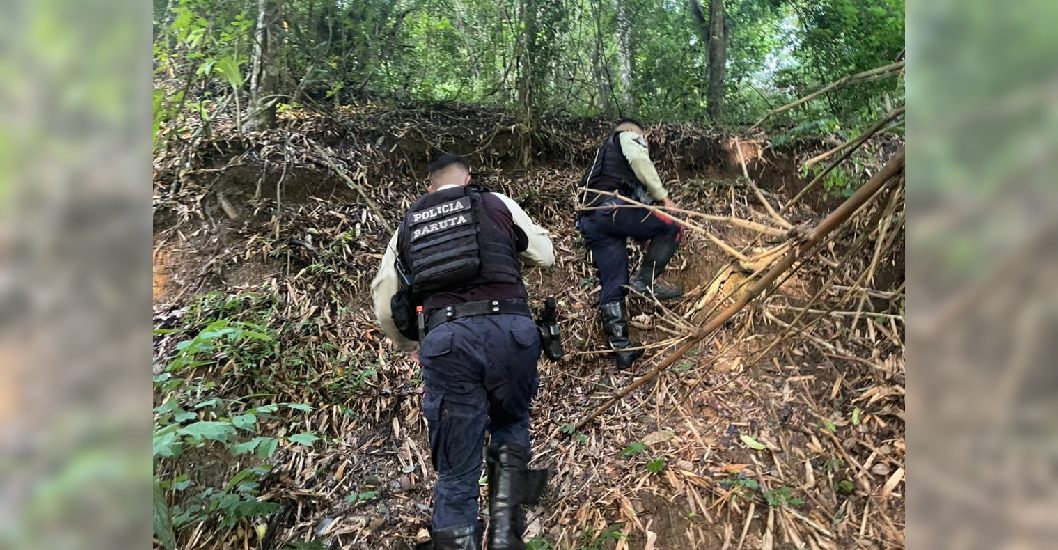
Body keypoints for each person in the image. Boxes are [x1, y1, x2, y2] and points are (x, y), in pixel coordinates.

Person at [371, 154, 555, 550]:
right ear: (468, 179)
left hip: (448, 341)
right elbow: (545, 254)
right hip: (512, 334)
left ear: (430, 186)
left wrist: (410, 345)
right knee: (511, 423)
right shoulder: (496, 203)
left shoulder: (410, 223)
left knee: (457, 466)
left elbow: (384, 298)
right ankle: (507, 537)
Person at [576, 118, 683, 370]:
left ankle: (622, 349)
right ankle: (645, 284)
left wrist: (641, 230)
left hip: (590, 218)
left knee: (614, 281)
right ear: (635, 132)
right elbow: (639, 162)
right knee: (672, 227)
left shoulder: (599, 160)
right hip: (614, 210)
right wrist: (664, 198)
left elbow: (631, 195)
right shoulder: (628, 136)